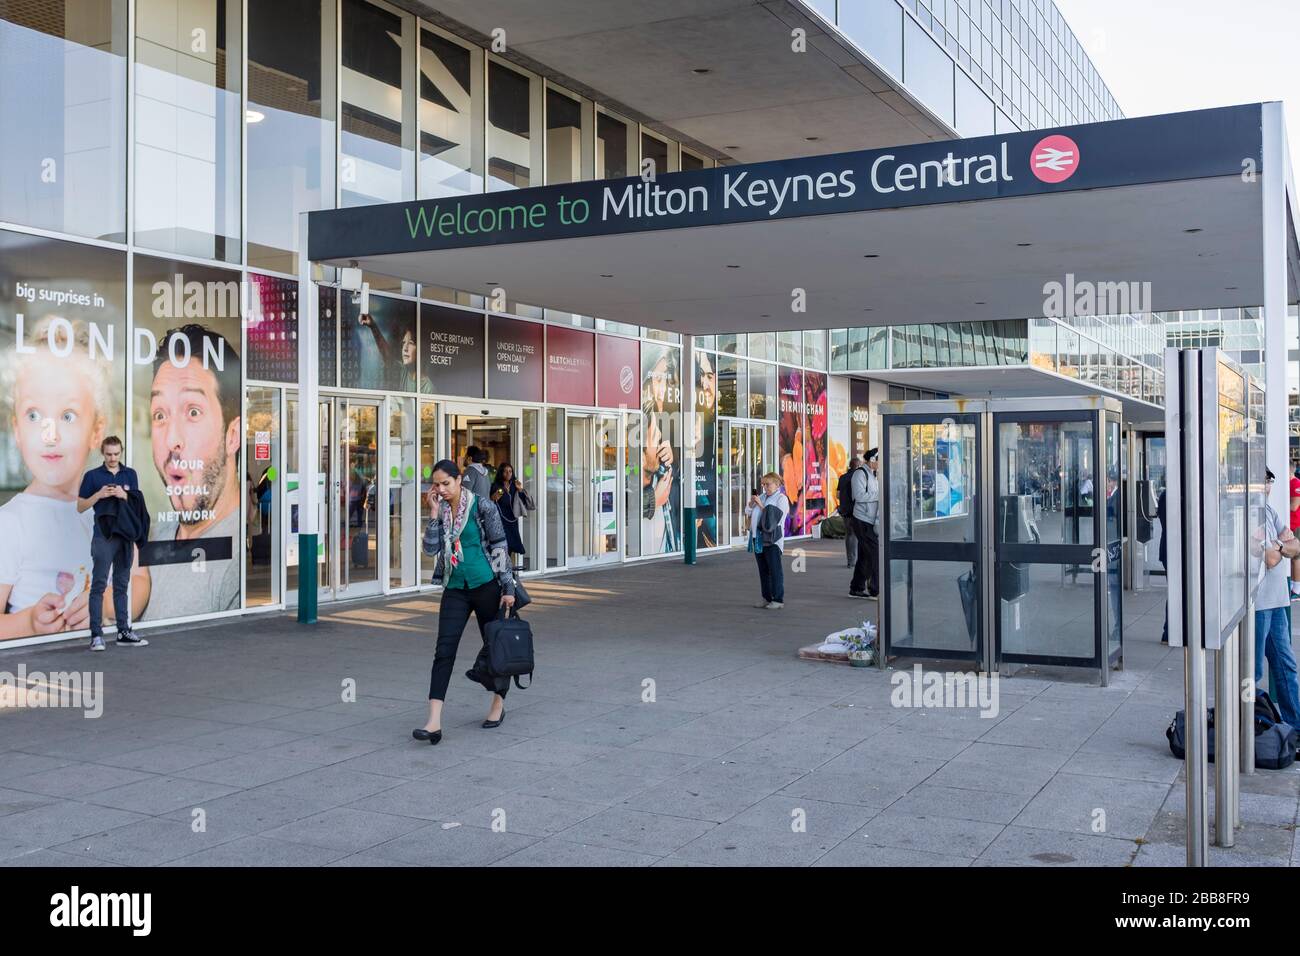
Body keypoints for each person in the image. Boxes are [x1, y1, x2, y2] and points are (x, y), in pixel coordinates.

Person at [0, 316, 149, 644]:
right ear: (16, 429)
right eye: (34, 416)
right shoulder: (10, 524)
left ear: (97, 430)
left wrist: (108, 604)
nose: (50, 435)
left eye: (67, 416)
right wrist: (29, 624)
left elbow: (138, 579)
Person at [141, 324, 242, 619]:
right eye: (160, 414)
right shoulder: (148, 536)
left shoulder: (239, 565)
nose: (173, 439)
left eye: (193, 412)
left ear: (232, 435)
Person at [416, 459, 517, 744]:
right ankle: (433, 722)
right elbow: (430, 549)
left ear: (460, 480)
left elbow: (499, 547)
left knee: (495, 647)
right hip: (455, 586)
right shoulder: (442, 510)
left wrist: (507, 586)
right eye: (437, 484)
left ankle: (498, 704)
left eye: (446, 483)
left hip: (486, 585)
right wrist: (434, 514)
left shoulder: (483, 506)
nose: (441, 489)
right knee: (443, 651)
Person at [76, 437, 149, 649]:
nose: (112, 458)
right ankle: (96, 636)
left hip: (125, 537)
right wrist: (99, 495)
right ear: (103, 452)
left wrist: (124, 495)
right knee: (98, 585)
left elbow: (137, 505)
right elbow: (80, 507)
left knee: (121, 585)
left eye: (116, 454)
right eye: (108, 454)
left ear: (121, 452)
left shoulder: (130, 474)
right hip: (103, 537)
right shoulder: (93, 476)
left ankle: (124, 631)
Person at [1253, 469, 1300, 730]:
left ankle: (1295, 728)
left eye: (1270, 481)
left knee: (1286, 667)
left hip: (1277, 601)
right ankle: (1248, 728)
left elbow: (1296, 548)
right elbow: (1270, 561)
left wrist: (1279, 546)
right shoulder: (1250, 514)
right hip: (1259, 604)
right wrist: (1282, 546)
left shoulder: (1269, 511)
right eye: (1264, 481)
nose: (1268, 485)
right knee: (1253, 672)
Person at [745, 472, 790, 609]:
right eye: (763, 484)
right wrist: (751, 504)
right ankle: (766, 597)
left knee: (774, 569)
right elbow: (748, 513)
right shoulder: (763, 497)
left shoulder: (781, 499)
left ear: (777, 484)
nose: (765, 487)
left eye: (768, 484)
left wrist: (760, 505)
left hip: (772, 540)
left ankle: (778, 599)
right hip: (757, 537)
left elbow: (774, 519)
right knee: (763, 569)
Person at [489, 461, 534, 569]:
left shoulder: (514, 485)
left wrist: (520, 490)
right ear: (501, 473)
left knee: (512, 543)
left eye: (510, 471)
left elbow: (523, 500)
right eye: (505, 471)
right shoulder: (496, 485)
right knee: (502, 543)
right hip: (500, 519)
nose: (508, 474)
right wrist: (495, 496)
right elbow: (491, 500)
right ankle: (501, 567)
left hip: (512, 519)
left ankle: (507, 566)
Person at [849, 448, 880, 599]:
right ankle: (875, 589)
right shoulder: (860, 474)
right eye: (880, 460)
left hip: (869, 519)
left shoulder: (873, 475)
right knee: (874, 553)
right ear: (873, 460)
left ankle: (856, 588)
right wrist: (880, 494)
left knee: (865, 555)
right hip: (861, 519)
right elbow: (859, 496)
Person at [837, 456, 863, 568]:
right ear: (857, 466)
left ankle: (850, 560)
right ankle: (857, 561)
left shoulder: (842, 477)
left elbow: (837, 495)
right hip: (857, 509)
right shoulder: (859, 477)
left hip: (845, 510)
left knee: (849, 534)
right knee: (858, 535)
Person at [1156, 487, 1168, 644]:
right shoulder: (1168, 495)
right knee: (1176, 591)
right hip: (1173, 551)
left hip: (1170, 550)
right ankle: (1169, 631)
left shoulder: (1165, 495)